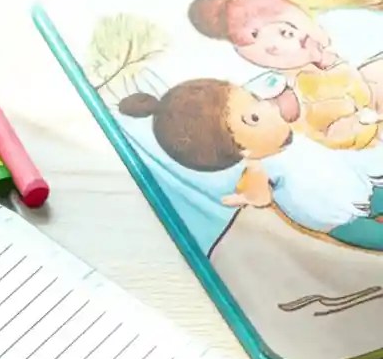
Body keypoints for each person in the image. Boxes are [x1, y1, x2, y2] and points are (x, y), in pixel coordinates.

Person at [118, 79, 383, 250]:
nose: (269, 109)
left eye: (257, 100)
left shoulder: (293, 137)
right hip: (340, 217)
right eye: (254, 117)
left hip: (362, 189)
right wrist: (249, 196)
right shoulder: (260, 166)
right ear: (241, 148)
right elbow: (257, 192)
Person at [189, 0, 380, 149]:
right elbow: (341, 135)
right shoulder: (310, 113)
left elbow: (343, 74)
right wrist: (363, 121)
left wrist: (324, 60)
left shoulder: (306, 73)